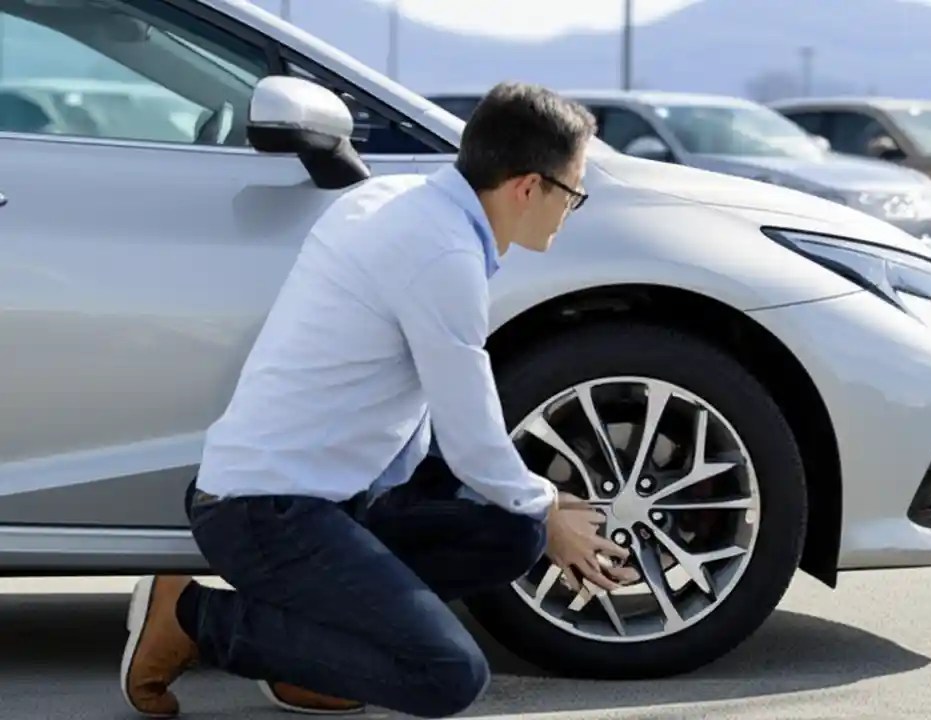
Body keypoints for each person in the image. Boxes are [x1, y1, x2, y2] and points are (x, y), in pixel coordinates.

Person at [119, 81, 635, 718]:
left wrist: (532, 511)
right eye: (573, 193)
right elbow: (471, 437)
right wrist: (552, 507)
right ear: (529, 187)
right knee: (446, 675)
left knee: (511, 532)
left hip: (331, 494)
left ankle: (313, 656)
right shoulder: (441, 254)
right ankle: (193, 617)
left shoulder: (398, 199)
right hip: (269, 514)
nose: (571, 209)